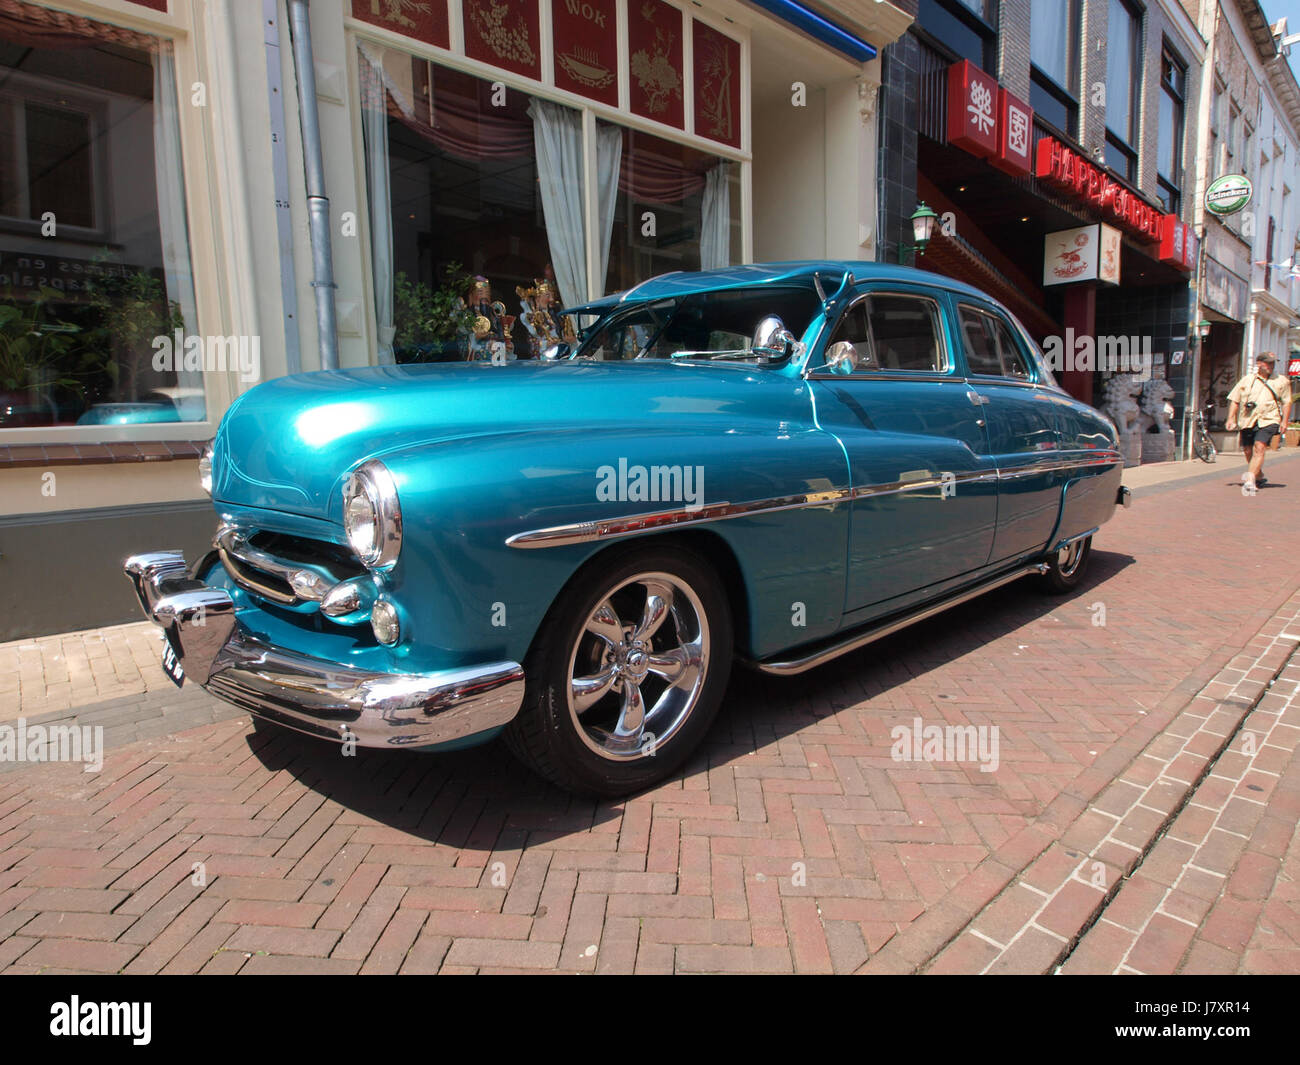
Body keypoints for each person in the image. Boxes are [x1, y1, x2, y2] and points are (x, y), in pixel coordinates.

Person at [1225, 351, 1292, 493]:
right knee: (1248, 450)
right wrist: (1231, 418)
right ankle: (1259, 474)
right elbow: (1235, 400)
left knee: (1259, 446)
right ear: (1259, 364)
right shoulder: (1247, 380)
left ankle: (1250, 481)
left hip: (1269, 419)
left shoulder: (1282, 381)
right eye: (1268, 362)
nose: (1271, 366)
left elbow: (1287, 402)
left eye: (1273, 363)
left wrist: (1285, 422)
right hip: (1248, 419)